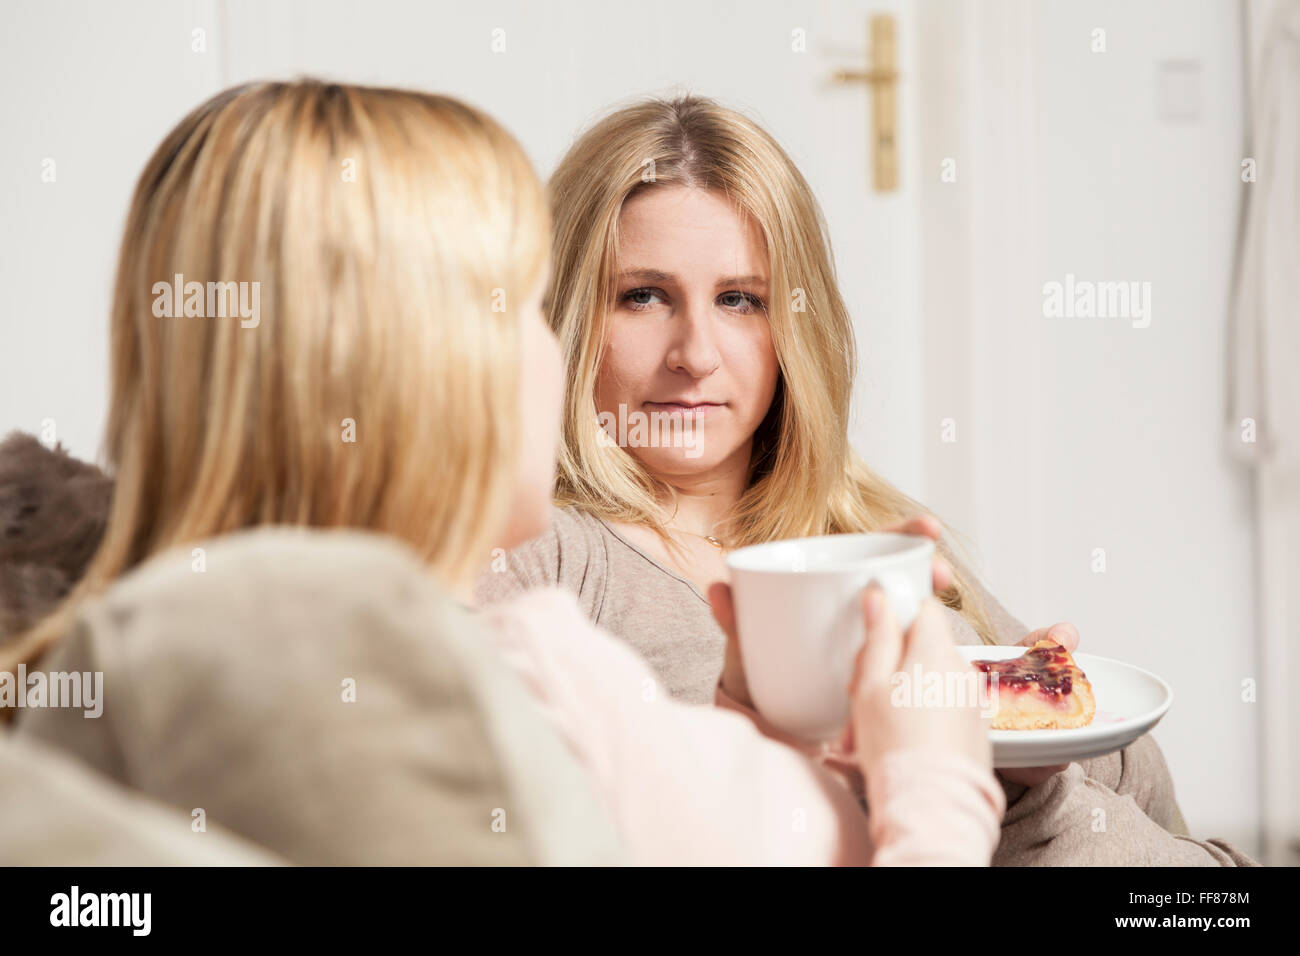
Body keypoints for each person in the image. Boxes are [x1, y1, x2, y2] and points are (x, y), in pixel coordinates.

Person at [2, 80, 1005, 865]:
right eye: (532, 304)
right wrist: (936, 784)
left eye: (741, 299)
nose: (556, 349)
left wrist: (760, 714)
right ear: (426, 371)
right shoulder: (537, 673)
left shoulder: (99, 682)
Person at [476, 94, 1258, 866]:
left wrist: (1035, 725)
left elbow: (1146, 801)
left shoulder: (870, 526)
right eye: (643, 296)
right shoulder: (544, 559)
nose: (696, 353)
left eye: (739, 300)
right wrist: (1005, 799)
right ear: (572, 314)